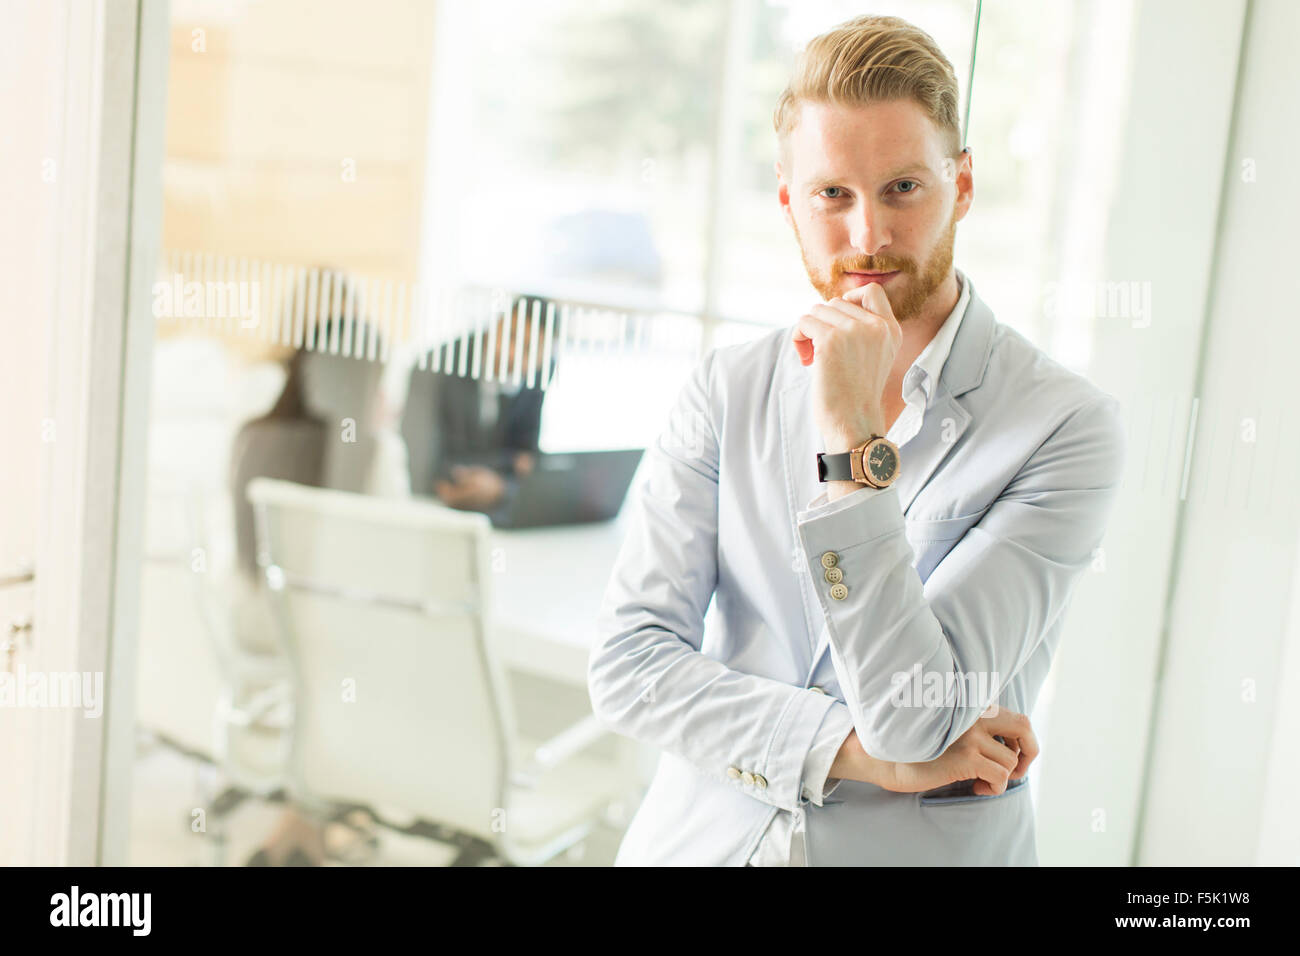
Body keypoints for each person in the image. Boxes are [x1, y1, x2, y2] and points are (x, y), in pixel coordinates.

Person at [588, 14, 1126, 866]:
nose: (867, 236)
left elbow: (914, 718)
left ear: (964, 184)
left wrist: (849, 443)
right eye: (832, 194)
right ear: (788, 204)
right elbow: (630, 663)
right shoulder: (726, 389)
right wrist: (851, 755)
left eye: (903, 188)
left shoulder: (1063, 427)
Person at [228, 308, 410, 865]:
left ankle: (299, 832)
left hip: (252, 629)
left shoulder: (252, 434)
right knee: (384, 659)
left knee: (336, 670)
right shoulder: (373, 455)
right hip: (322, 646)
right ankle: (312, 823)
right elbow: (395, 568)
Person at [401, 294, 554, 522]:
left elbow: (528, 458)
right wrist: (505, 469)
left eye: (529, 350)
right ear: (494, 326)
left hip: (500, 515)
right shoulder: (434, 367)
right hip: (436, 510)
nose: (513, 355)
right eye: (511, 337)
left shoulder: (538, 373)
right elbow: (422, 464)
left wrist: (501, 488)